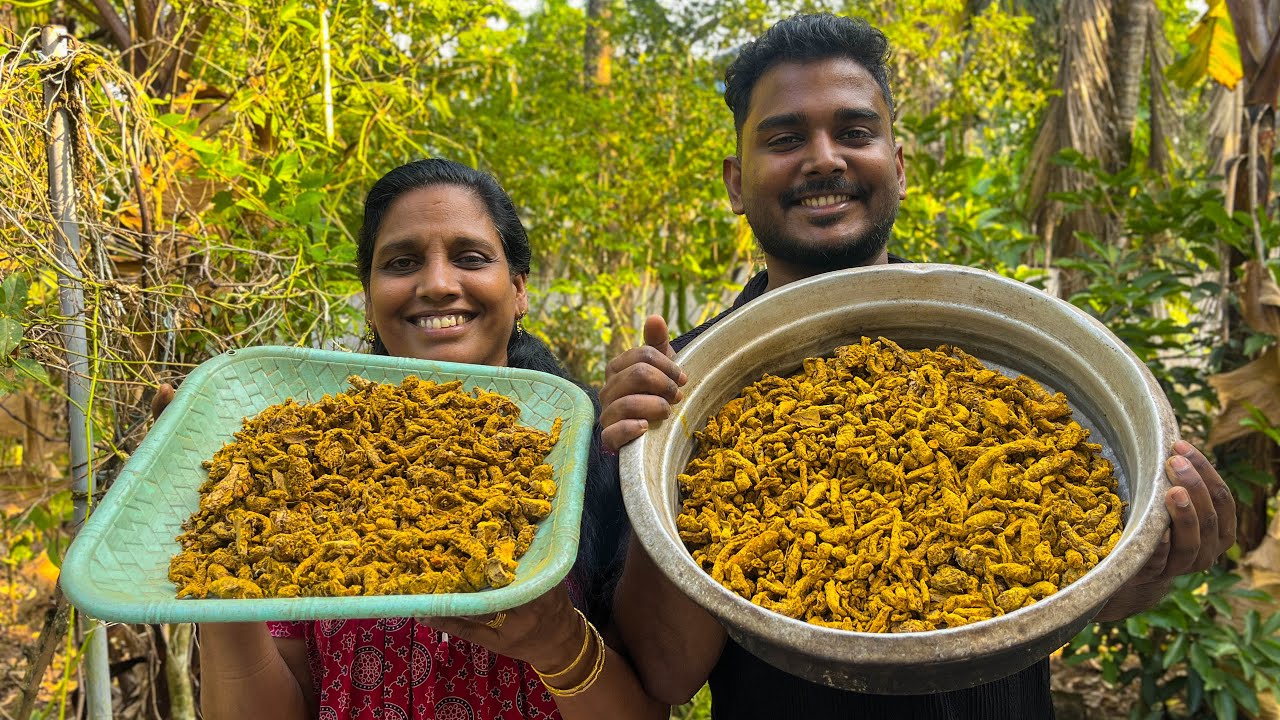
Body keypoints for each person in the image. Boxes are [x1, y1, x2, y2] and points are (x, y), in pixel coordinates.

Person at [598, 14, 1237, 719]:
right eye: (784, 140)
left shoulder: (988, 353)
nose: (824, 159)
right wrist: (651, 465)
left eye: (854, 132)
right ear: (736, 182)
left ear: (899, 166)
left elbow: (1075, 587)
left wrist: (1142, 566)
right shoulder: (681, 387)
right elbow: (665, 677)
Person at [156, 159, 667, 720]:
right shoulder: (301, 461)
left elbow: (656, 699)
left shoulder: (588, 453)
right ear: (369, 295)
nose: (438, 284)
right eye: (402, 263)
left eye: (470, 258)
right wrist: (216, 545)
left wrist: (562, 647)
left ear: (519, 288)